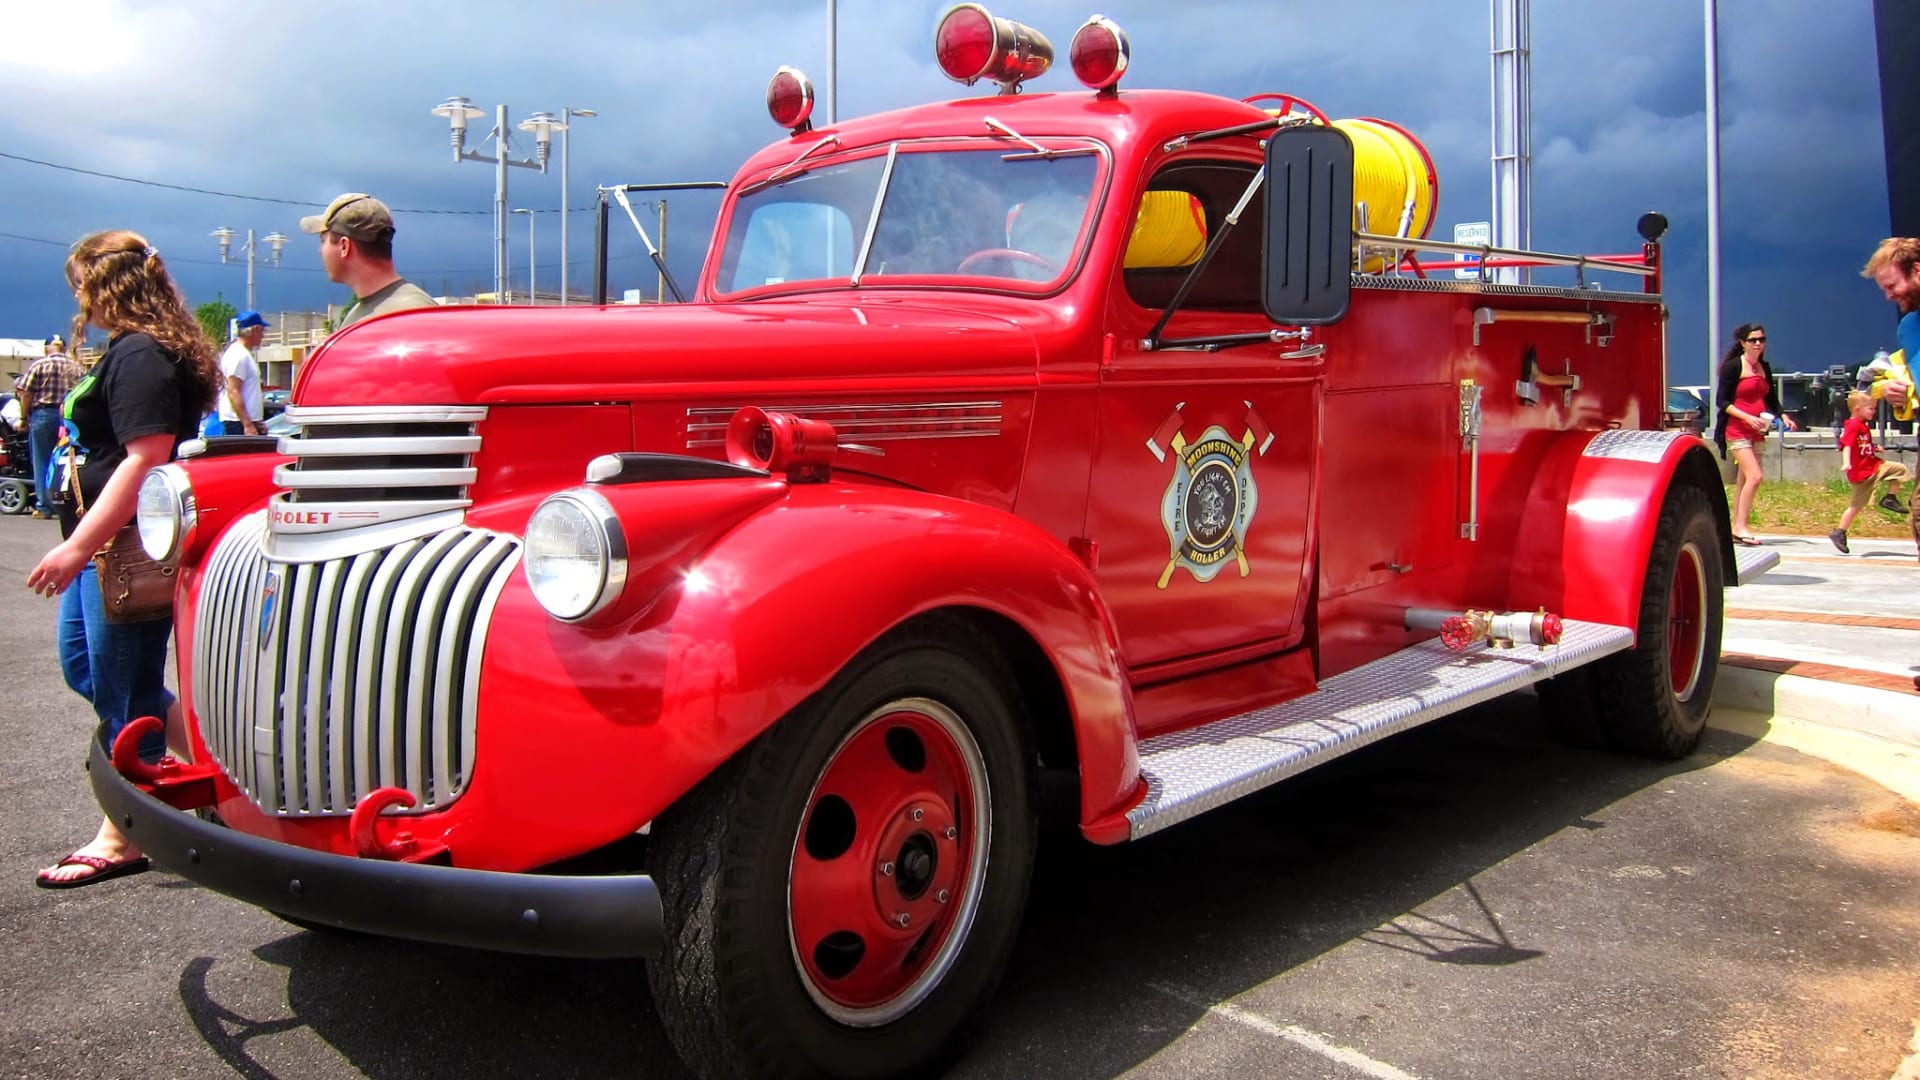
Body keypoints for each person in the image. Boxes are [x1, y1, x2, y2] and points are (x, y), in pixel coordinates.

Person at [24, 230, 216, 889]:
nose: (79, 301)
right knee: (92, 671)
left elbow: (146, 457)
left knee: (122, 688)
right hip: (103, 544)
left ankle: (124, 832)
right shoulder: (137, 348)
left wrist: (77, 544)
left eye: (81, 287)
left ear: (106, 286)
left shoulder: (141, 354)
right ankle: (213, 773)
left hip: (122, 546)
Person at [1712, 322, 1797, 546]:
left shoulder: (1763, 368)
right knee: (1755, 476)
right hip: (1737, 427)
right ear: (1743, 343)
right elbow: (1722, 401)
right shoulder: (1734, 366)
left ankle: (1738, 525)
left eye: (1761, 339)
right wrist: (1746, 417)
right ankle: (1741, 527)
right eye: (1753, 340)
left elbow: (1770, 398)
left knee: (1744, 479)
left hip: (1758, 429)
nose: (1758, 343)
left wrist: (1783, 415)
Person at [299, 192, 436, 329]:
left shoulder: (412, 315)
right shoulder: (359, 313)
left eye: (323, 241)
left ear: (344, 246)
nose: (320, 250)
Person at [1829, 390, 1911, 553]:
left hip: (1873, 465)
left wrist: (1874, 448)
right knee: (1856, 505)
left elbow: (1862, 445)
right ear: (1858, 409)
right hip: (1862, 473)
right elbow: (1847, 446)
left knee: (1899, 469)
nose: (1874, 411)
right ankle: (1839, 532)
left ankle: (1890, 498)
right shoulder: (1852, 425)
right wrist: (1846, 463)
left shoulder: (1862, 425)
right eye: (1871, 408)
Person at [18, 334, 85, 519]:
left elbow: (25, 392)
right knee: (65, 460)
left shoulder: (39, 365)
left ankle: (44, 506)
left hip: (43, 414)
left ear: (47, 348)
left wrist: (23, 418)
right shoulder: (75, 367)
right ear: (63, 348)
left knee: (42, 461)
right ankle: (65, 502)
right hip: (67, 416)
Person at [217, 309, 268, 435]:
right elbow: (233, 390)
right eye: (261, 330)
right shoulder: (238, 355)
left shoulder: (245, 354)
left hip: (248, 421)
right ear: (253, 330)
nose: (263, 335)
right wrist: (248, 424)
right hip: (237, 423)